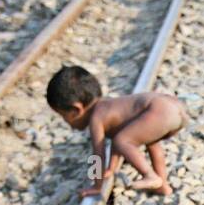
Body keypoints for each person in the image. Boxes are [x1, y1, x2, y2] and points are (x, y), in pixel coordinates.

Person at [45, 65, 189, 198]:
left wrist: (97, 185)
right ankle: (163, 186)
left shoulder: (96, 118)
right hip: (174, 108)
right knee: (150, 142)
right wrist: (112, 168)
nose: (66, 122)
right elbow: (117, 138)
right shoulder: (109, 106)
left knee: (123, 140)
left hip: (160, 110)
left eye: (64, 116)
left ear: (76, 109)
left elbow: (97, 155)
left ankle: (150, 176)